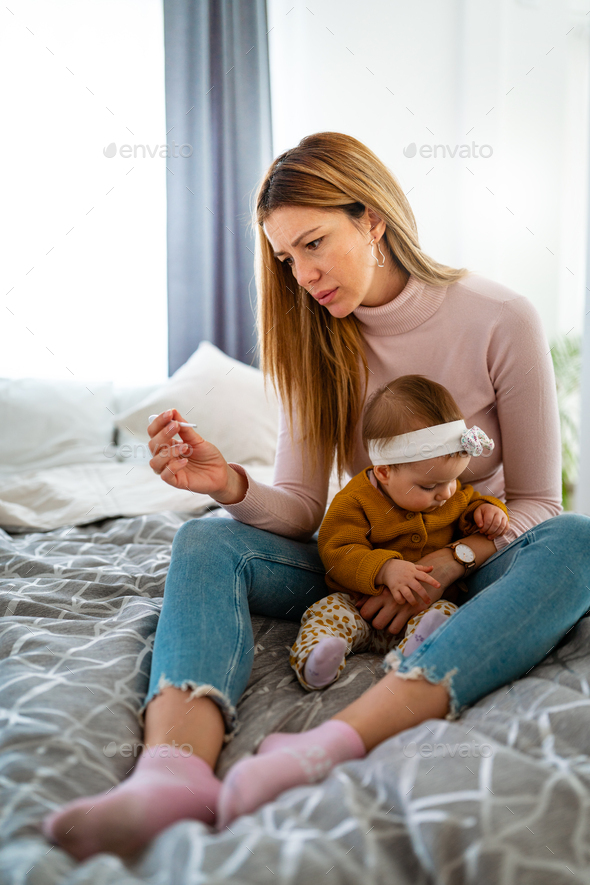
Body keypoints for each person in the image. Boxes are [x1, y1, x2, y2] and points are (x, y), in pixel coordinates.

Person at [42, 131, 590, 857]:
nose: (301, 274)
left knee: (578, 539)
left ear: (373, 219)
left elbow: (537, 502)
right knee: (205, 536)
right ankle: (171, 770)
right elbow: (303, 508)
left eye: (313, 243)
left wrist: (454, 558)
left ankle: (338, 738)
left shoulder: (499, 317)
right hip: (357, 563)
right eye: (284, 258)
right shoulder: (314, 338)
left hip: (474, 557)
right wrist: (229, 484)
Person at [290, 374, 509, 692]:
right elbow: (337, 549)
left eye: (453, 480)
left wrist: (488, 511)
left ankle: (418, 651)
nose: (447, 493)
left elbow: (470, 508)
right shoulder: (355, 501)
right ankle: (318, 657)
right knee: (327, 613)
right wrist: (385, 568)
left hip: (424, 608)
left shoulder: (452, 494)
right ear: (384, 472)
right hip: (362, 607)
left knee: (447, 614)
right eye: (430, 486)